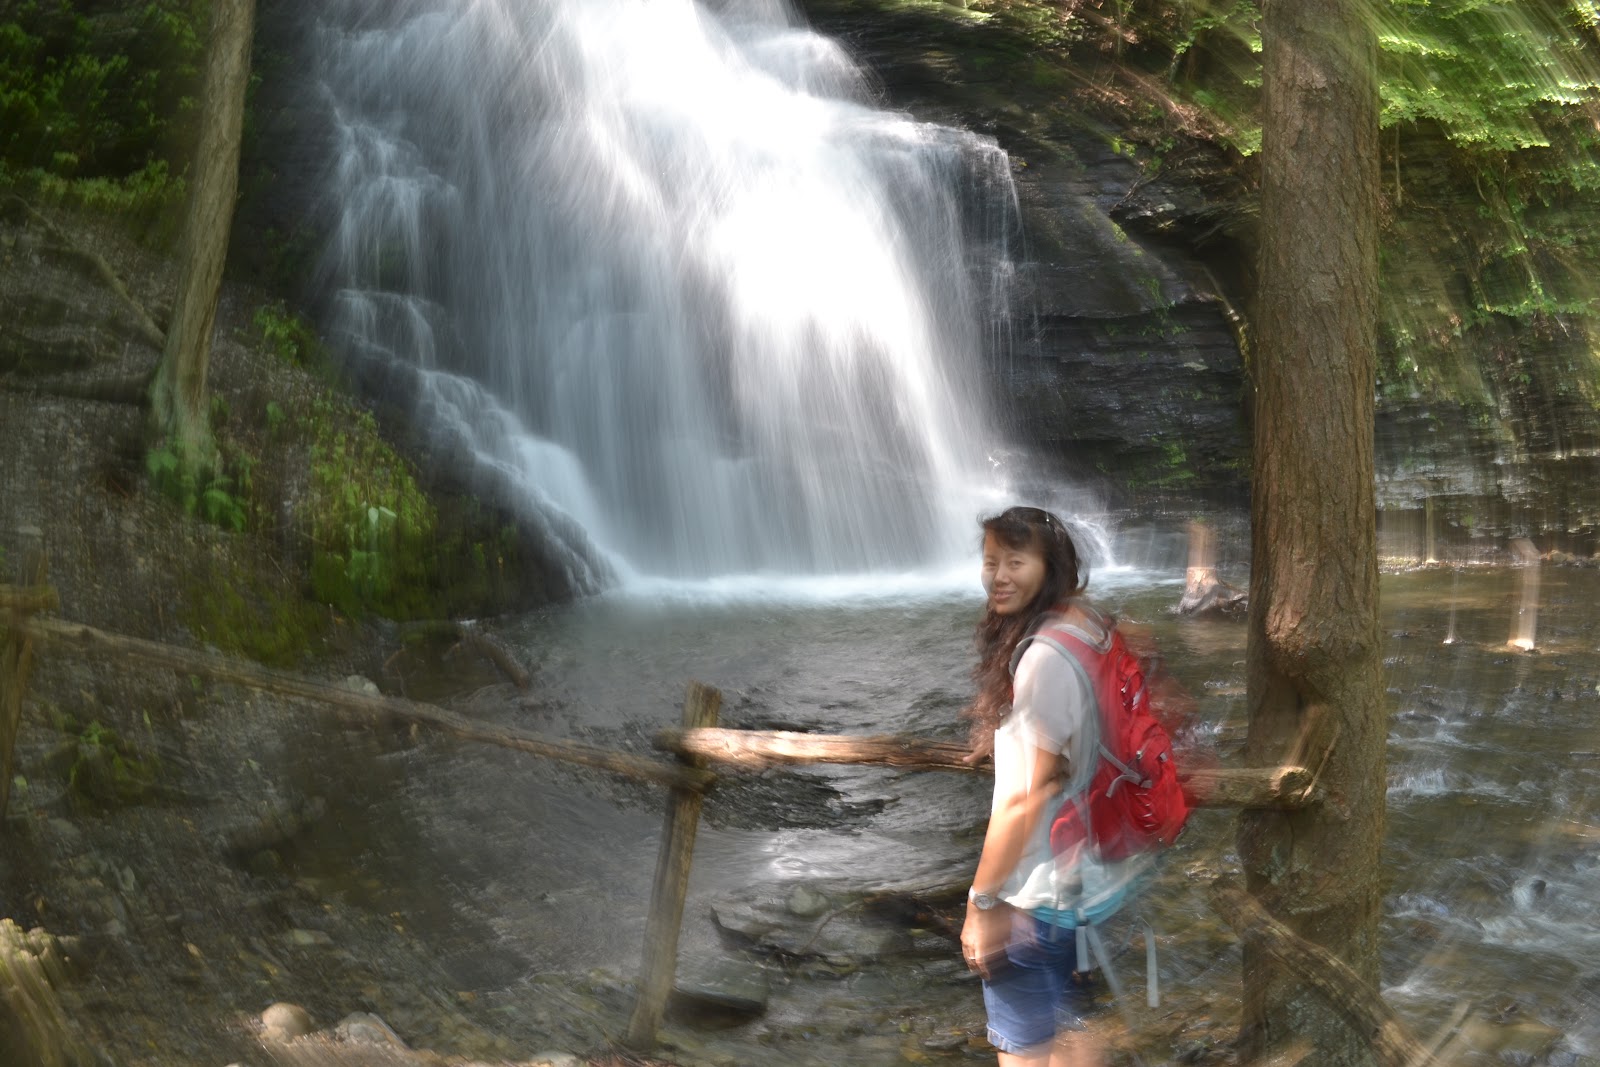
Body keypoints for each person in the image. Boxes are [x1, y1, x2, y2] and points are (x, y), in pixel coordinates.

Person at [961, 505, 1149, 1067]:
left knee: (1023, 1046)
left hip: (1036, 895)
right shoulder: (1086, 625)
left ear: (1050, 568)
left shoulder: (1043, 660)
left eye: (1015, 562)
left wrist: (983, 903)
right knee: (1072, 1028)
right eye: (990, 562)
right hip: (1093, 877)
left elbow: (1025, 796)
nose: (998, 576)